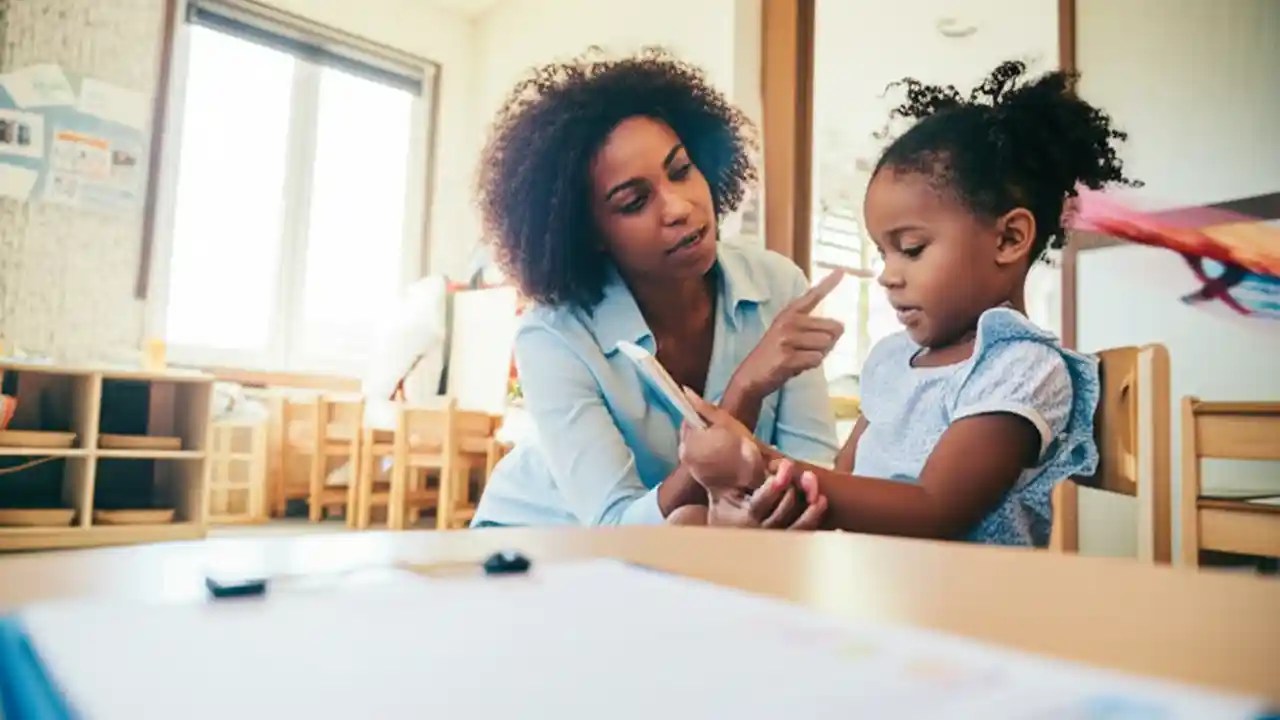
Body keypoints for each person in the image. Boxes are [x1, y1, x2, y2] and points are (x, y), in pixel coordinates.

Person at [677, 60, 1140, 545]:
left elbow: (933, 509)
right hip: (875, 584)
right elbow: (847, 481)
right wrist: (767, 486)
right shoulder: (892, 360)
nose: (888, 275)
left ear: (1009, 238)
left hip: (967, 605)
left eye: (912, 249)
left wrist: (761, 461)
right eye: (882, 251)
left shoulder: (1021, 366)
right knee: (689, 531)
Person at [470, 50, 844, 527]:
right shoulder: (554, 336)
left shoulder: (777, 286)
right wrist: (744, 392)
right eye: (634, 201)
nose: (679, 207)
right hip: (538, 542)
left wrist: (782, 499)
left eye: (682, 169)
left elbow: (811, 474)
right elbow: (616, 525)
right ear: (590, 235)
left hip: (696, 543)